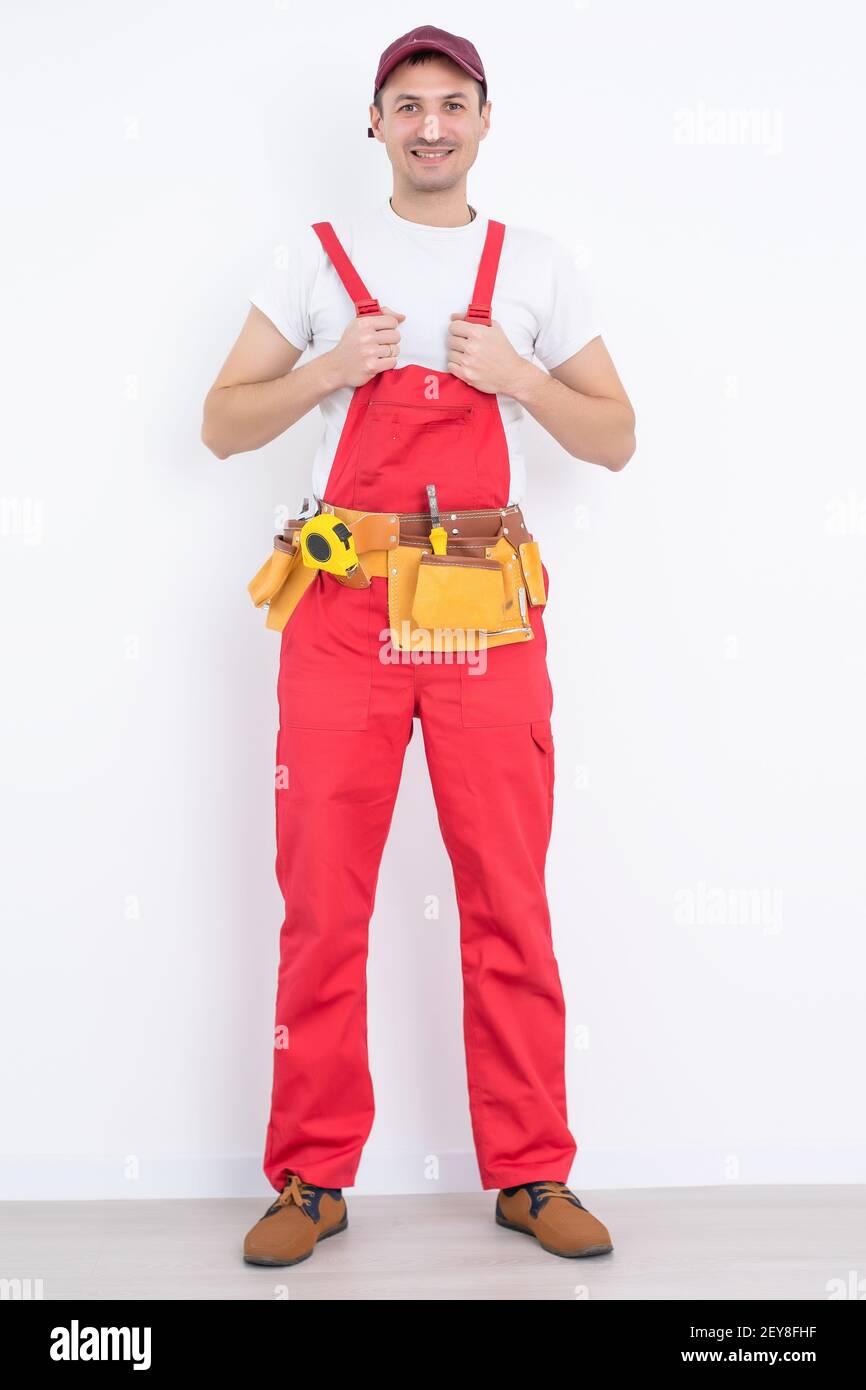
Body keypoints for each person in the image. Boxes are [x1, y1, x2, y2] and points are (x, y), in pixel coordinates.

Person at [202, 24, 635, 1268]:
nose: (431, 124)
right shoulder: (311, 259)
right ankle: (309, 1174)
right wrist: (330, 365)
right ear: (376, 124)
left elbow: (613, 438)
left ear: (485, 121)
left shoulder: (536, 265)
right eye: (408, 103)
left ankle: (531, 1171)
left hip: (484, 610)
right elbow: (221, 423)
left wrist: (519, 377)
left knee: (508, 892)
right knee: (322, 902)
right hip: (341, 613)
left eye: (453, 103)